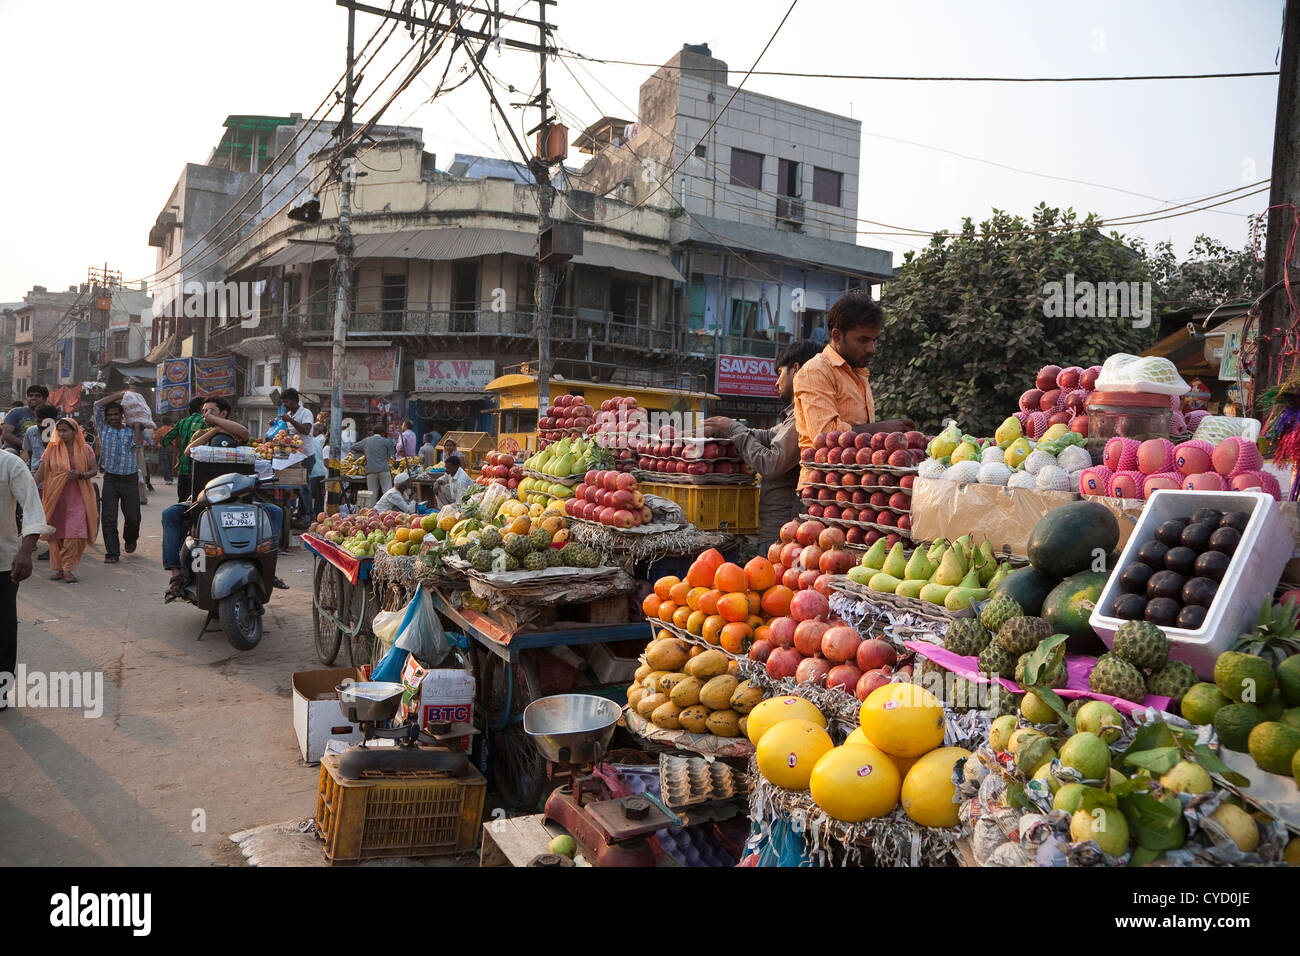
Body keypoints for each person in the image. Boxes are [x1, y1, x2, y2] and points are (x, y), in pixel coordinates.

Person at [162, 403, 284, 602]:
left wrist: (218, 424)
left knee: (276, 512)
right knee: (170, 514)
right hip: (203, 500)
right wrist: (214, 430)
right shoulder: (200, 433)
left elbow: (244, 432)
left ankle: (270, 568)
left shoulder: (237, 433)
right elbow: (188, 452)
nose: (205, 414)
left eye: (210, 411)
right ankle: (176, 575)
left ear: (223, 413)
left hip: (241, 500)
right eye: (203, 411)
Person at [703, 340, 821, 546]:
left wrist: (733, 428)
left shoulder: (804, 416)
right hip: (778, 531)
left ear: (796, 369)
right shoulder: (795, 414)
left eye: (779, 373)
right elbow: (767, 435)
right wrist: (721, 427)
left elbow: (771, 464)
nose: (776, 382)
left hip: (783, 535)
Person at [793, 291, 916, 451]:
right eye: (863, 340)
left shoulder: (859, 372)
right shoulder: (815, 371)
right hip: (820, 476)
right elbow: (824, 436)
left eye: (875, 340)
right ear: (837, 336)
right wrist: (880, 429)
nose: (871, 348)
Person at [0, 452, 49, 711]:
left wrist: (25, 551)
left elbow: (32, 509)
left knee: (3, 630)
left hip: (2, 562)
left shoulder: (9, 464)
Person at [34, 417, 98, 584]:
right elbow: (41, 472)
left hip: (79, 496)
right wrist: (29, 489)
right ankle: (59, 568)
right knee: (56, 533)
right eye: (59, 430)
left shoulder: (86, 449)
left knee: (75, 533)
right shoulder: (51, 449)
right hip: (56, 497)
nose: (61, 434)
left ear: (75, 431)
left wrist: (80, 475)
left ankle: (68, 567)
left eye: (65, 430)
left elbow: (93, 470)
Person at [93, 391, 143, 563]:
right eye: (109, 415)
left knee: (133, 517)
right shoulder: (103, 428)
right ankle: (112, 552)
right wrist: (123, 394)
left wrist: (137, 426)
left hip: (130, 479)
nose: (112, 417)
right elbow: (97, 405)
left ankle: (130, 539)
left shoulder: (130, 429)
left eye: (115, 414)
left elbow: (137, 445)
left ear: (122, 415)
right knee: (109, 518)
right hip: (111, 479)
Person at [157, 397, 207, 502]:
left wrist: (179, 453)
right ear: (201, 408)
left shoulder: (182, 422)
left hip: (183, 470)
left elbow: (164, 441)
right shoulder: (206, 422)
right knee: (196, 503)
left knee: (182, 502)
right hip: (199, 470)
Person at [278, 388, 317, 517]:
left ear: (295, 400)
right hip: (294, 457)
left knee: (304, 486)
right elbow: (289, 435)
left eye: (286, 401)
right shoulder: (289, 414)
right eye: (283, 402)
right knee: (299, 487)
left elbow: (306, 430)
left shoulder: (306, 413)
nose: (284, 404)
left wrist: (290, 420)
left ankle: (308, 515)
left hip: (306, 456)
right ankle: (301, 514)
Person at [3, 384, 48, 454]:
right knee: (10, 451)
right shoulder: (15, 412)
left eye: (37, 396)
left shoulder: (48, 415)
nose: (33, 398)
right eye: (30, 395)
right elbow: (6, 434)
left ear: (45, 399)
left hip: (39, 450)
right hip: (15, 450)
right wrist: (27, 446)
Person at [356, 423, 396, 498]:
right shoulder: (386, 441)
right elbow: (392, 454)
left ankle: (371, 509)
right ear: (383, 433)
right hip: (384, 470)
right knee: (388, 494)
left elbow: (353, 447)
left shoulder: (366, 441)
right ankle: (387, 509)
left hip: (371, 470)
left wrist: (364, 453)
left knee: (372, 496)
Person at [21, 403, 59, 477]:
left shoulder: (61, 434)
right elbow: (28, 452)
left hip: (56, 478)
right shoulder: (31, 431)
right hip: (35, 477)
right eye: (39, 421)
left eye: (45, 422)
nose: (41, 425)